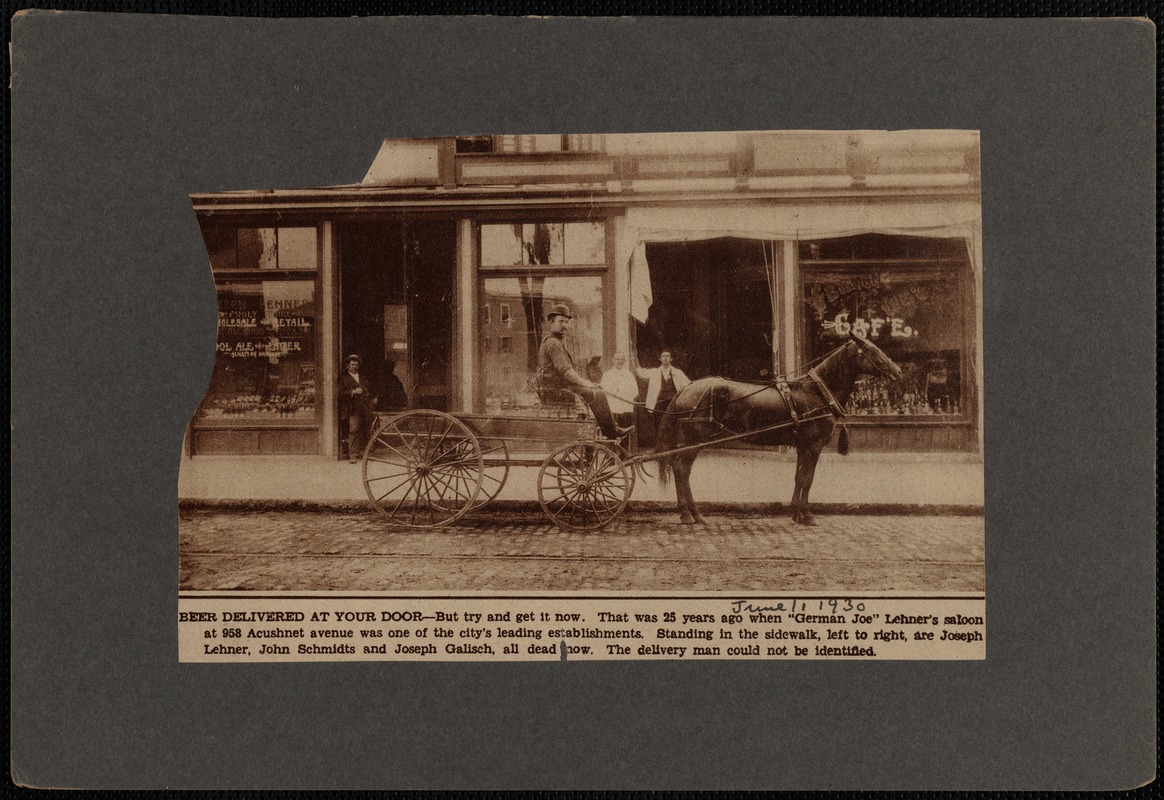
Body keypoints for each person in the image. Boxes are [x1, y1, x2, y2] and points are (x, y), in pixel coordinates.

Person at [537, 304, 632, 442]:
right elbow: (568, 373)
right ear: (551, 322)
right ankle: (613, 434)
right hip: (557, 389)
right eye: (560, 321)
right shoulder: (553, 343)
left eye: (566, 321)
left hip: (558, 388)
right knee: (599, 395)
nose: (565, 325)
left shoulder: (555, 341)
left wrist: (591, 384)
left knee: (596, 392)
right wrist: (589, 384)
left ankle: (612, 431)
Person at [643, 350, 691, 434]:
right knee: (659, 423)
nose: (665, 358)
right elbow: (640, 373)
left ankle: (672, 446)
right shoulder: (654, 372)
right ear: (660, 359)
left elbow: (688, 384)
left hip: (672, 402)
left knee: (673, 423)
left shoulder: (678, 372)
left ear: (671, 359)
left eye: (667, 356)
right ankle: (660, 445)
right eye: (663, 356)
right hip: (658, 403)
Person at [339, 354, 376, 463]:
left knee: (367, 430)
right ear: (347, 366)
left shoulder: (363, 378)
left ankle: (366, 453)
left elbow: (372, 389)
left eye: (356, 364)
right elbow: (339, 394)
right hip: (352, 409)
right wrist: (352, 392)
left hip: (365, 408)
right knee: (354, 430)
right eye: (352, 365)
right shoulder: (343, 378)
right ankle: (353, 455)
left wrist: (374, 399)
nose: (354, 366)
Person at [600, 352, 640, 430]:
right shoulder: (607, 375)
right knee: (612, 431)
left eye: (622, 360)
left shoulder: (629, 375)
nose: (620, 361)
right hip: (612, 408)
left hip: (625, 408)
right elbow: (603, 391)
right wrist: (615, 390)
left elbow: (635, 391)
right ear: (613, 360)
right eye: (617, 359)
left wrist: (624, 393)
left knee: (626, 431)